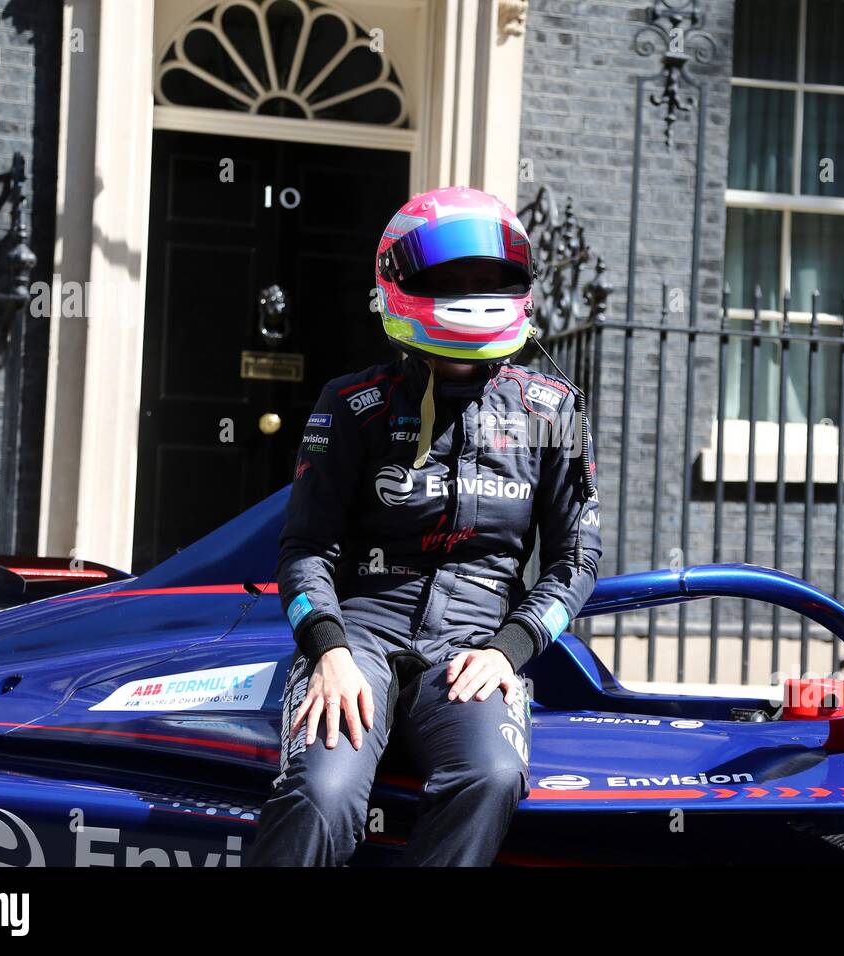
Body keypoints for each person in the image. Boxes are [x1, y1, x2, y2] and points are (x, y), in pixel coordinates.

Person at [247, 186, 602, 866]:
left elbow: (576, 561)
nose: (473, 292)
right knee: (321, 791)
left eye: (491, 277)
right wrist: (328, 651)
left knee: (490, 776)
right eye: (450, 278)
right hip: (360, 643)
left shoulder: (552, 409)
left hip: (474, 649)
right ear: (401, 283)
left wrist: (508, 651)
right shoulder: (351, 404)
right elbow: (304, 551)